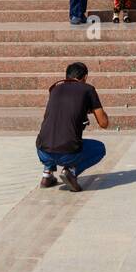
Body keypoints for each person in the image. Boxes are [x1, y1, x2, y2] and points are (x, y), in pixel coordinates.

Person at [35, 61, 109, 193]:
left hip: (42, 151)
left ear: (67, 76)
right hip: (68, 152)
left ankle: (47, 175)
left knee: (53, 133)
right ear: (85, 77)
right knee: (100, 148)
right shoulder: (88, 89)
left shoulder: (55, 88)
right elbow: (104, 123)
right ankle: (71, 171)